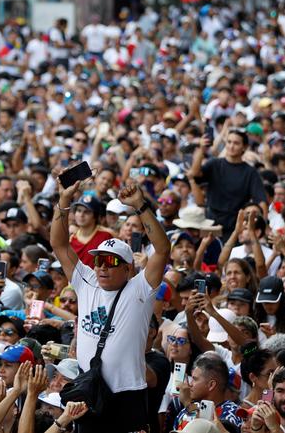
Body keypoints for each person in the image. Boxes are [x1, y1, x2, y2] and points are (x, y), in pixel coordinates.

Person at [50, 178, 170, 432]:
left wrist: (139, 204)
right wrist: (63, 201)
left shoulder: (139, 289)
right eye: (99, 260)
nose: (102, 267)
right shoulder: (86, 280)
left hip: (127, 396)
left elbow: (161, 250)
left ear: (128, 269)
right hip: (88, 389)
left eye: (111, 262)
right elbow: (59, 244)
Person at [189, 128, 268, 236]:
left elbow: (261, 200)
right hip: (210, 222)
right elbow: (194, 173)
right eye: (229, 142)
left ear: (244, 147)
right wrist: (202, 150)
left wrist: (263, 226)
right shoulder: (214, 164)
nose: (231, 146)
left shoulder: (250, 172)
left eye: (236, 143)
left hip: (234, 225)